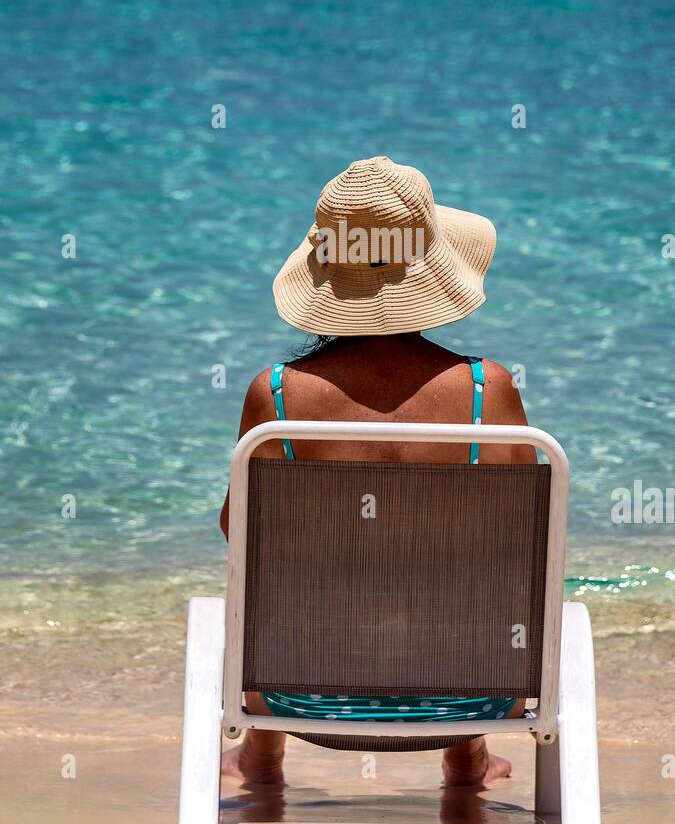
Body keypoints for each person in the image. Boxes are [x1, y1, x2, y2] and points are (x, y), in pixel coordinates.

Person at [218, 156, 536, 789]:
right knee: (479, 554)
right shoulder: (485, 392)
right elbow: (527, 539)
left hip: (297, 694)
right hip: (471, 692)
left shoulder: (276, 398)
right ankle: (465, 756)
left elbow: (239, 533)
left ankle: (262, 754)